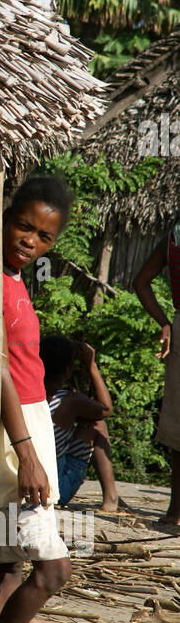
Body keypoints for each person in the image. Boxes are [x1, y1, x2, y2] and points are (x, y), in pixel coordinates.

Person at [0, 176, 75, 623]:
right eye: (24, 226)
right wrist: (26, 450)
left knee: (3, 565)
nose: (31, 241)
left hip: (31, 420)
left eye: (44, 237)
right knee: (53, 569)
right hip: (12, 431)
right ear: (5, 215)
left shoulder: (16, 279)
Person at [134, 223, 180, 526]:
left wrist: (166, 322)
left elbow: (141, 282)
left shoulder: (175, 235)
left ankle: (176, 511)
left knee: (178, 426)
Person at [40, 335, 119, 510]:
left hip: (30, 484)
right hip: (56, 491)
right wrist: (92, 367)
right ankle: (111, 499)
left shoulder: (29, 395)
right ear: (68, 371)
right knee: (98, 425)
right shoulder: (70, 401)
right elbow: (106, 409)